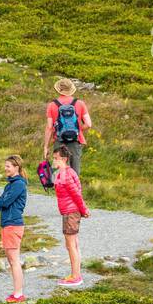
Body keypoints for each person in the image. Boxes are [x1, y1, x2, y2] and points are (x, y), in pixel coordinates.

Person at [52, 146, 90, 288]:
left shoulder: (67, 174)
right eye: (54, 158)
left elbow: (76, 194)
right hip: (68, 211)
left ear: (64, 159)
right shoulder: (63, 173)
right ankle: (76, 274)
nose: (54, 161)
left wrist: (84, 210)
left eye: (56, 158)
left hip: (70, 212)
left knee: (70, 245)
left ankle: (76, 277)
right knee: (73, 244)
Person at [43, 78, 92, 174]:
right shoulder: (80, 103)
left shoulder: (52, 105)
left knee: (57, 171)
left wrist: (46, 146)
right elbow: (89, 124)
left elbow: (49, 128)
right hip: (75, 140)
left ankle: (57, 187)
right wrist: (78, 129)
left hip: (59, 140)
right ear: (71, 89)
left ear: (58, 90)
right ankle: (74, 188)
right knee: (75, 172)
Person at [0, 155, 27, 303]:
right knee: (12, 260)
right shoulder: (10, 184)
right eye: (5, 165)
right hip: (7, 223)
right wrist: (0, 201)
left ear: (16, 167)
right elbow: (0, 202)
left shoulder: (18, 184)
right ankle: (17, 292)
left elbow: (4, 201)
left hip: (13, 224)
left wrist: (0, 200)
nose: (5, 168)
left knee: (14, 260)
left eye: (8, 166)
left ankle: (18, 294)